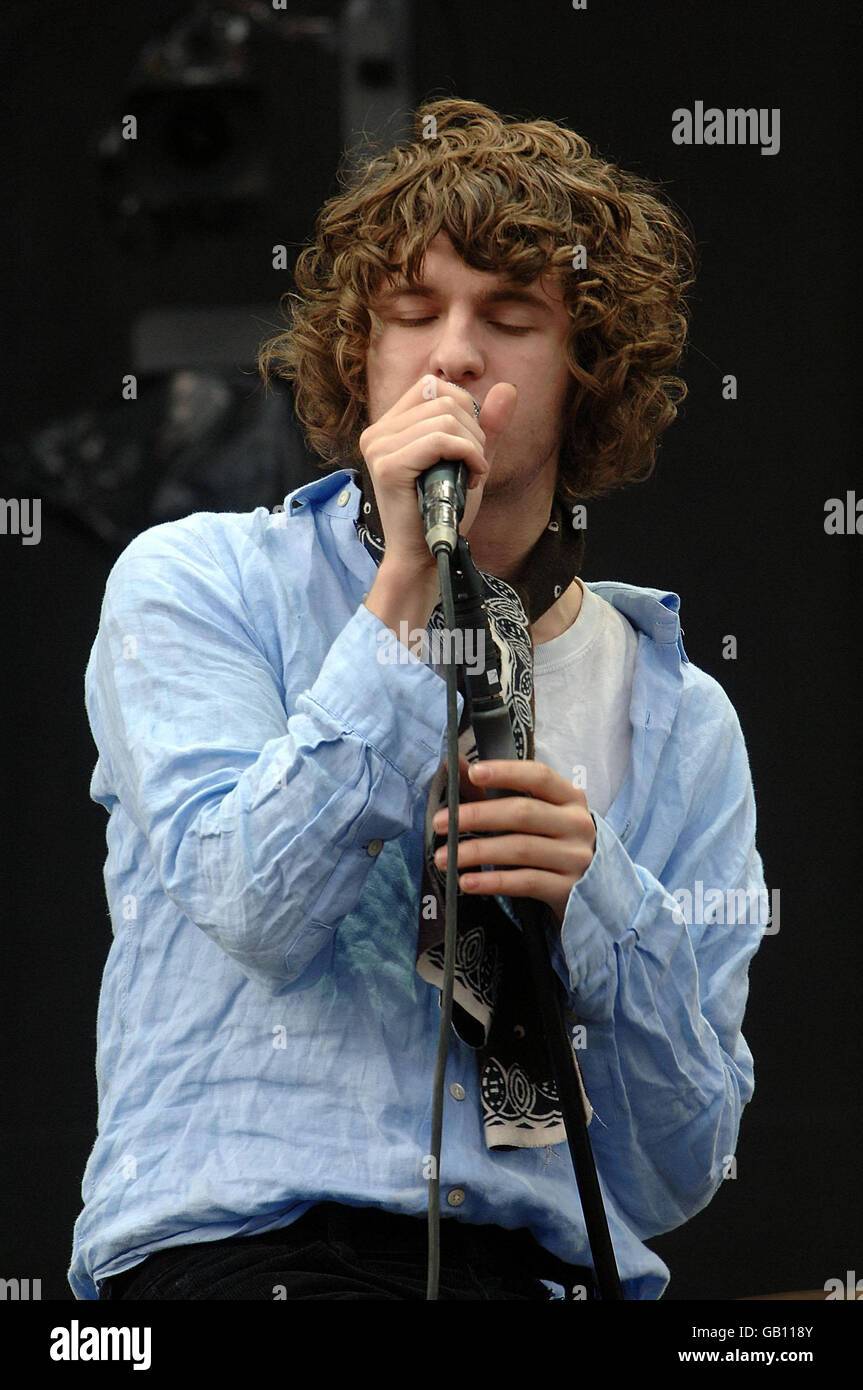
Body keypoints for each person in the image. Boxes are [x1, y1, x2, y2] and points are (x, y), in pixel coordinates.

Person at [70, 98, 769, 1301]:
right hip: (245, 1253)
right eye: (412, 315)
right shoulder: (198, 582)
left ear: (586, 374)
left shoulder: (677, 710)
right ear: (361, 354)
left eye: (509, 319)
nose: (453, 353)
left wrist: (590, 893)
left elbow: (675, 1168)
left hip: (532, 1271)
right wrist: (402, 595)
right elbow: (254, 905)